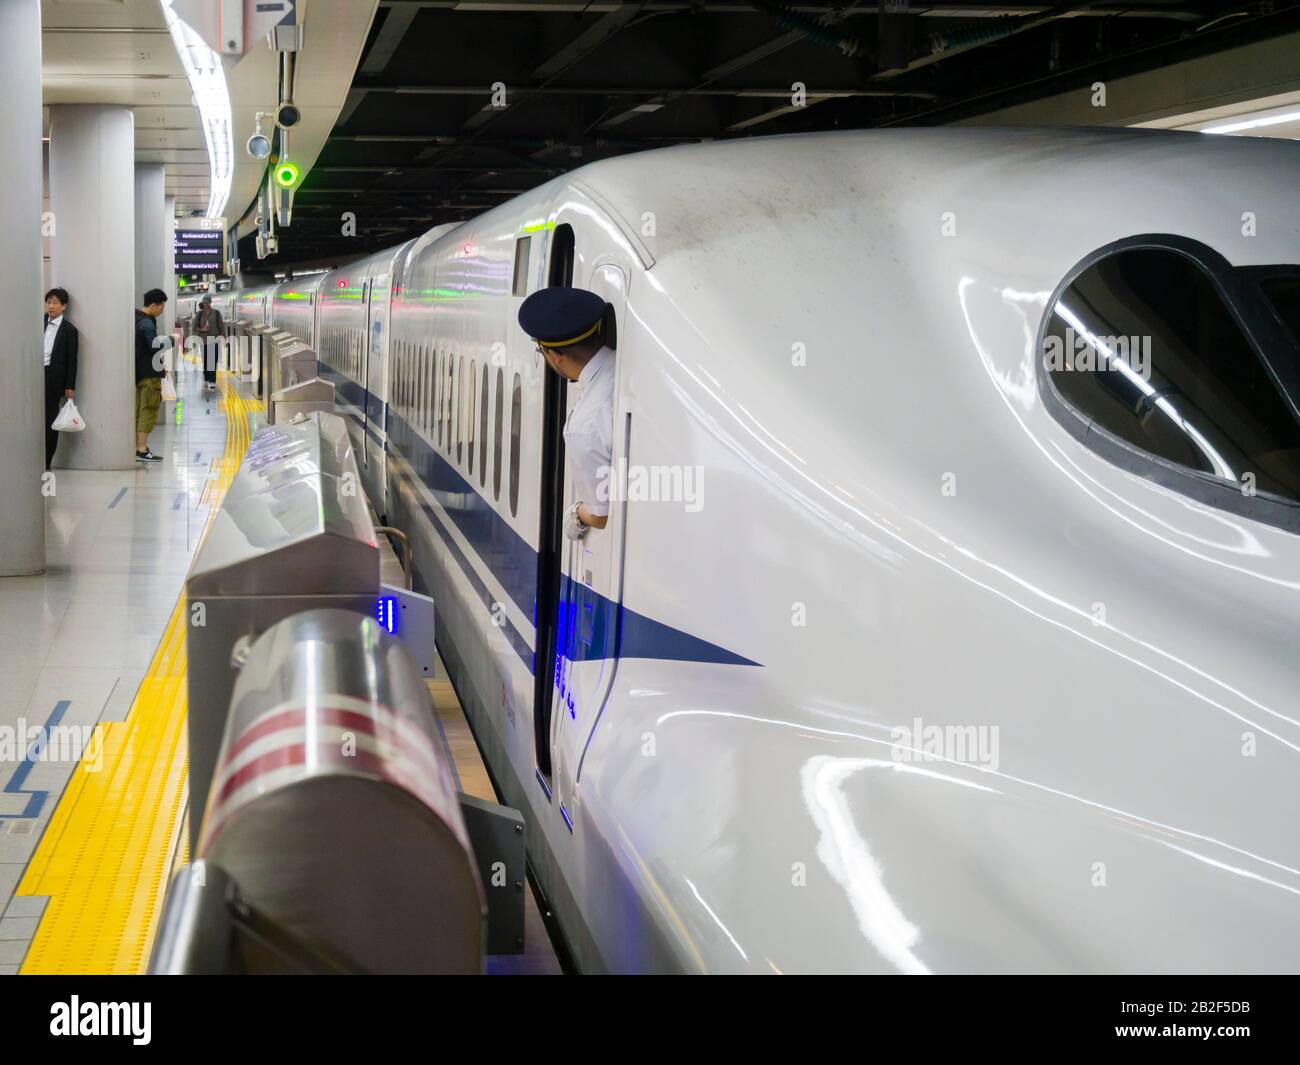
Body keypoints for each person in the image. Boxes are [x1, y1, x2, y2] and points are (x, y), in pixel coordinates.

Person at [517, 287, 615, 539]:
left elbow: (600, 514)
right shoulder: (623, 369)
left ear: (555, 355)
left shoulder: (584, 425)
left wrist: (575, 515)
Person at [43, 287, 79, 471]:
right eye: (48, 302)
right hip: (35, 374)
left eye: (55, 302)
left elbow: (72, 361)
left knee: (50, 420)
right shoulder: (37, 323)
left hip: (53, 379)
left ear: (64, 306)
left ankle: (47, 460)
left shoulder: (70, 331)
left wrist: (70, 386)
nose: (51, 306)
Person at [135, 288, 169, 462]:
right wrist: (171, 340)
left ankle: (136, 447)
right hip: (149, 375)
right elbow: (154, 347)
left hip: (137, 373)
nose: (162, 310)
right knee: (148, 410)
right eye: (162, 306)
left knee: (138, 411)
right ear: (154, 305)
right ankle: (141, 449)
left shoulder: (134, 317)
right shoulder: (148, 323)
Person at [194, 294, 223, 390]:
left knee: (213, 361)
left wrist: (224, 337)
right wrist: (202, 329)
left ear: (210, 303)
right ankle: (206, 379)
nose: (205, 304)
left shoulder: (216, 313)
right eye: (203, 302)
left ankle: (212, 381)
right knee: (206, 361)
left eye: (206, 302)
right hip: (204, 340)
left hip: (214, 340)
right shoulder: (199, 314)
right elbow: (195, 327)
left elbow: (221, 326)